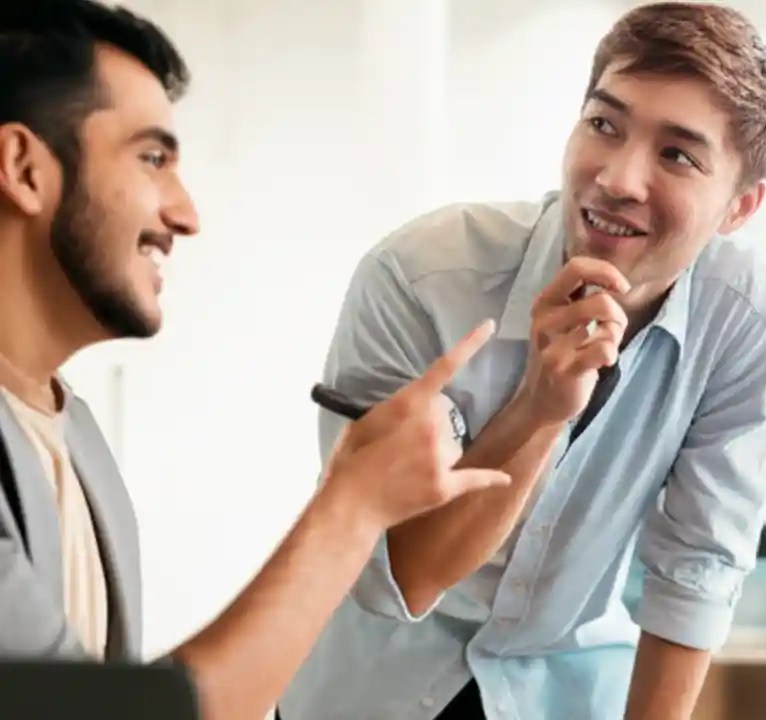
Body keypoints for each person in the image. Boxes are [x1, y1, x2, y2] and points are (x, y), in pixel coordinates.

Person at [278, 3, 766, 719]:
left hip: (566, 694)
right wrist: (540, 407)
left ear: (740, 207)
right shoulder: (417, 279)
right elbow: (404, 578)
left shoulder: (742, 316)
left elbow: (697, 569)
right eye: (604, 124)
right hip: (373, 690)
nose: (618, 178)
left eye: (676, 154)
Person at [0, 3, 510, 720]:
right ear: (24, 167)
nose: (186, 213)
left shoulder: (71, 431)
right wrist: (354, 504)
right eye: (152, 158)